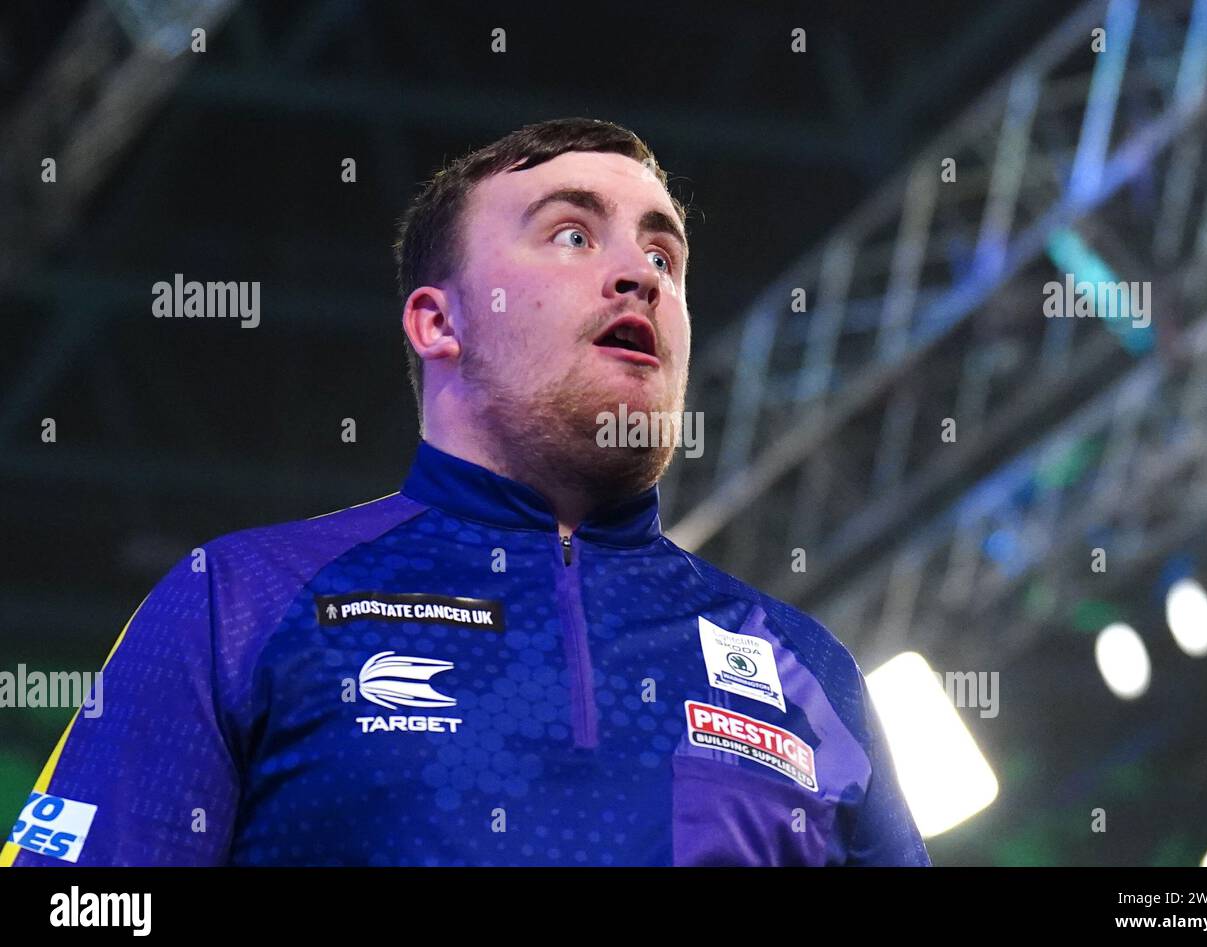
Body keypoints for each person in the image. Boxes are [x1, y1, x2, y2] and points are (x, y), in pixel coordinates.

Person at [3, 118, 931, 866]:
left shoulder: (811, 673)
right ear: (438, 322)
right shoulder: (240, 602)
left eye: (665, 256)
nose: (636, 275)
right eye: (572, 233)